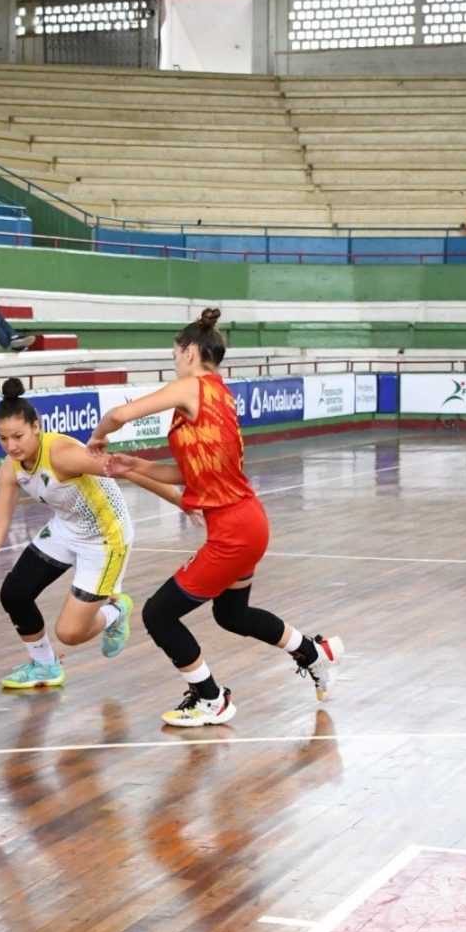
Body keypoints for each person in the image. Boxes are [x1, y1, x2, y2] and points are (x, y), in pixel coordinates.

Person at [87, 307, 344, 728]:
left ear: (190, 352)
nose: (174, 363)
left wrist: (97, 439)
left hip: (233, 531)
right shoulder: (219, 393)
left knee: (157, 614)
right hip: (248, 521)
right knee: (232, 615)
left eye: (174, 354)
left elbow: (118, 416)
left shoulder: (191, 386)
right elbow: (188, 476)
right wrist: (133, 465)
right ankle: (313, 652)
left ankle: (210, 698)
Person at [0, 377, 137, 689]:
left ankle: (115, 612)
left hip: (105, 537)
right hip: (66, 527)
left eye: (18, 436)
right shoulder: (11, 467)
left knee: (70, 633)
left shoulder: (62, 454)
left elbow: (124, 468)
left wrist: (178, 496)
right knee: (14, 593)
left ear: (37, 426)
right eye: (3, 438)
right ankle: (45, 665)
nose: (11, 446)